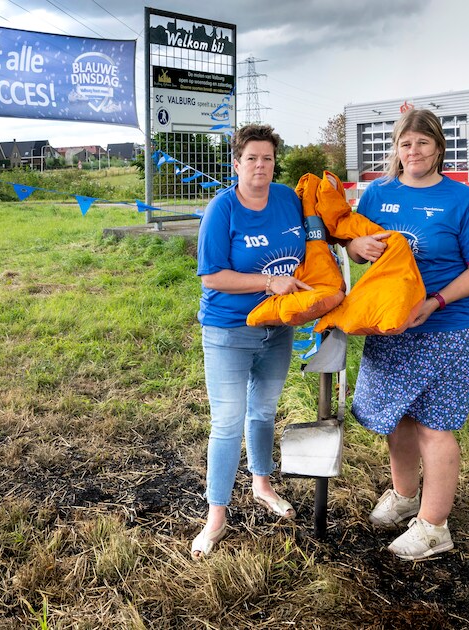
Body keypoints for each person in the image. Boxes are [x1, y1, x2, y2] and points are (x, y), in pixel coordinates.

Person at [346, 109, 469, 560]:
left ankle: (433, 527)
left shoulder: (461, 200)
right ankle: (405, 496)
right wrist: (355, 246)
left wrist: (434, 302)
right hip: (392, 328)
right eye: (406, 144)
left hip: (449, 330)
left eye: (423, 144)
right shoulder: (377, 193)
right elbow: (354, 242)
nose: (413, 152)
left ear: (438, 148)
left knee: (435, 427)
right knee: (400, 419)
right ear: (396, 149)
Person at [191, 124, 313, 560]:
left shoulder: (287, 199)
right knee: (227, 421)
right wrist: (268, 281)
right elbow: (212, 276)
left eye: (268, 158)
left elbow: (319, 240)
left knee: (263, 411)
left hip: (279, 328)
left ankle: (262, 484)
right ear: (236, 164)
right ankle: (216, 515)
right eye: (252, 158)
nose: (261, 166)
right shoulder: (222, 210)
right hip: (229, 330)